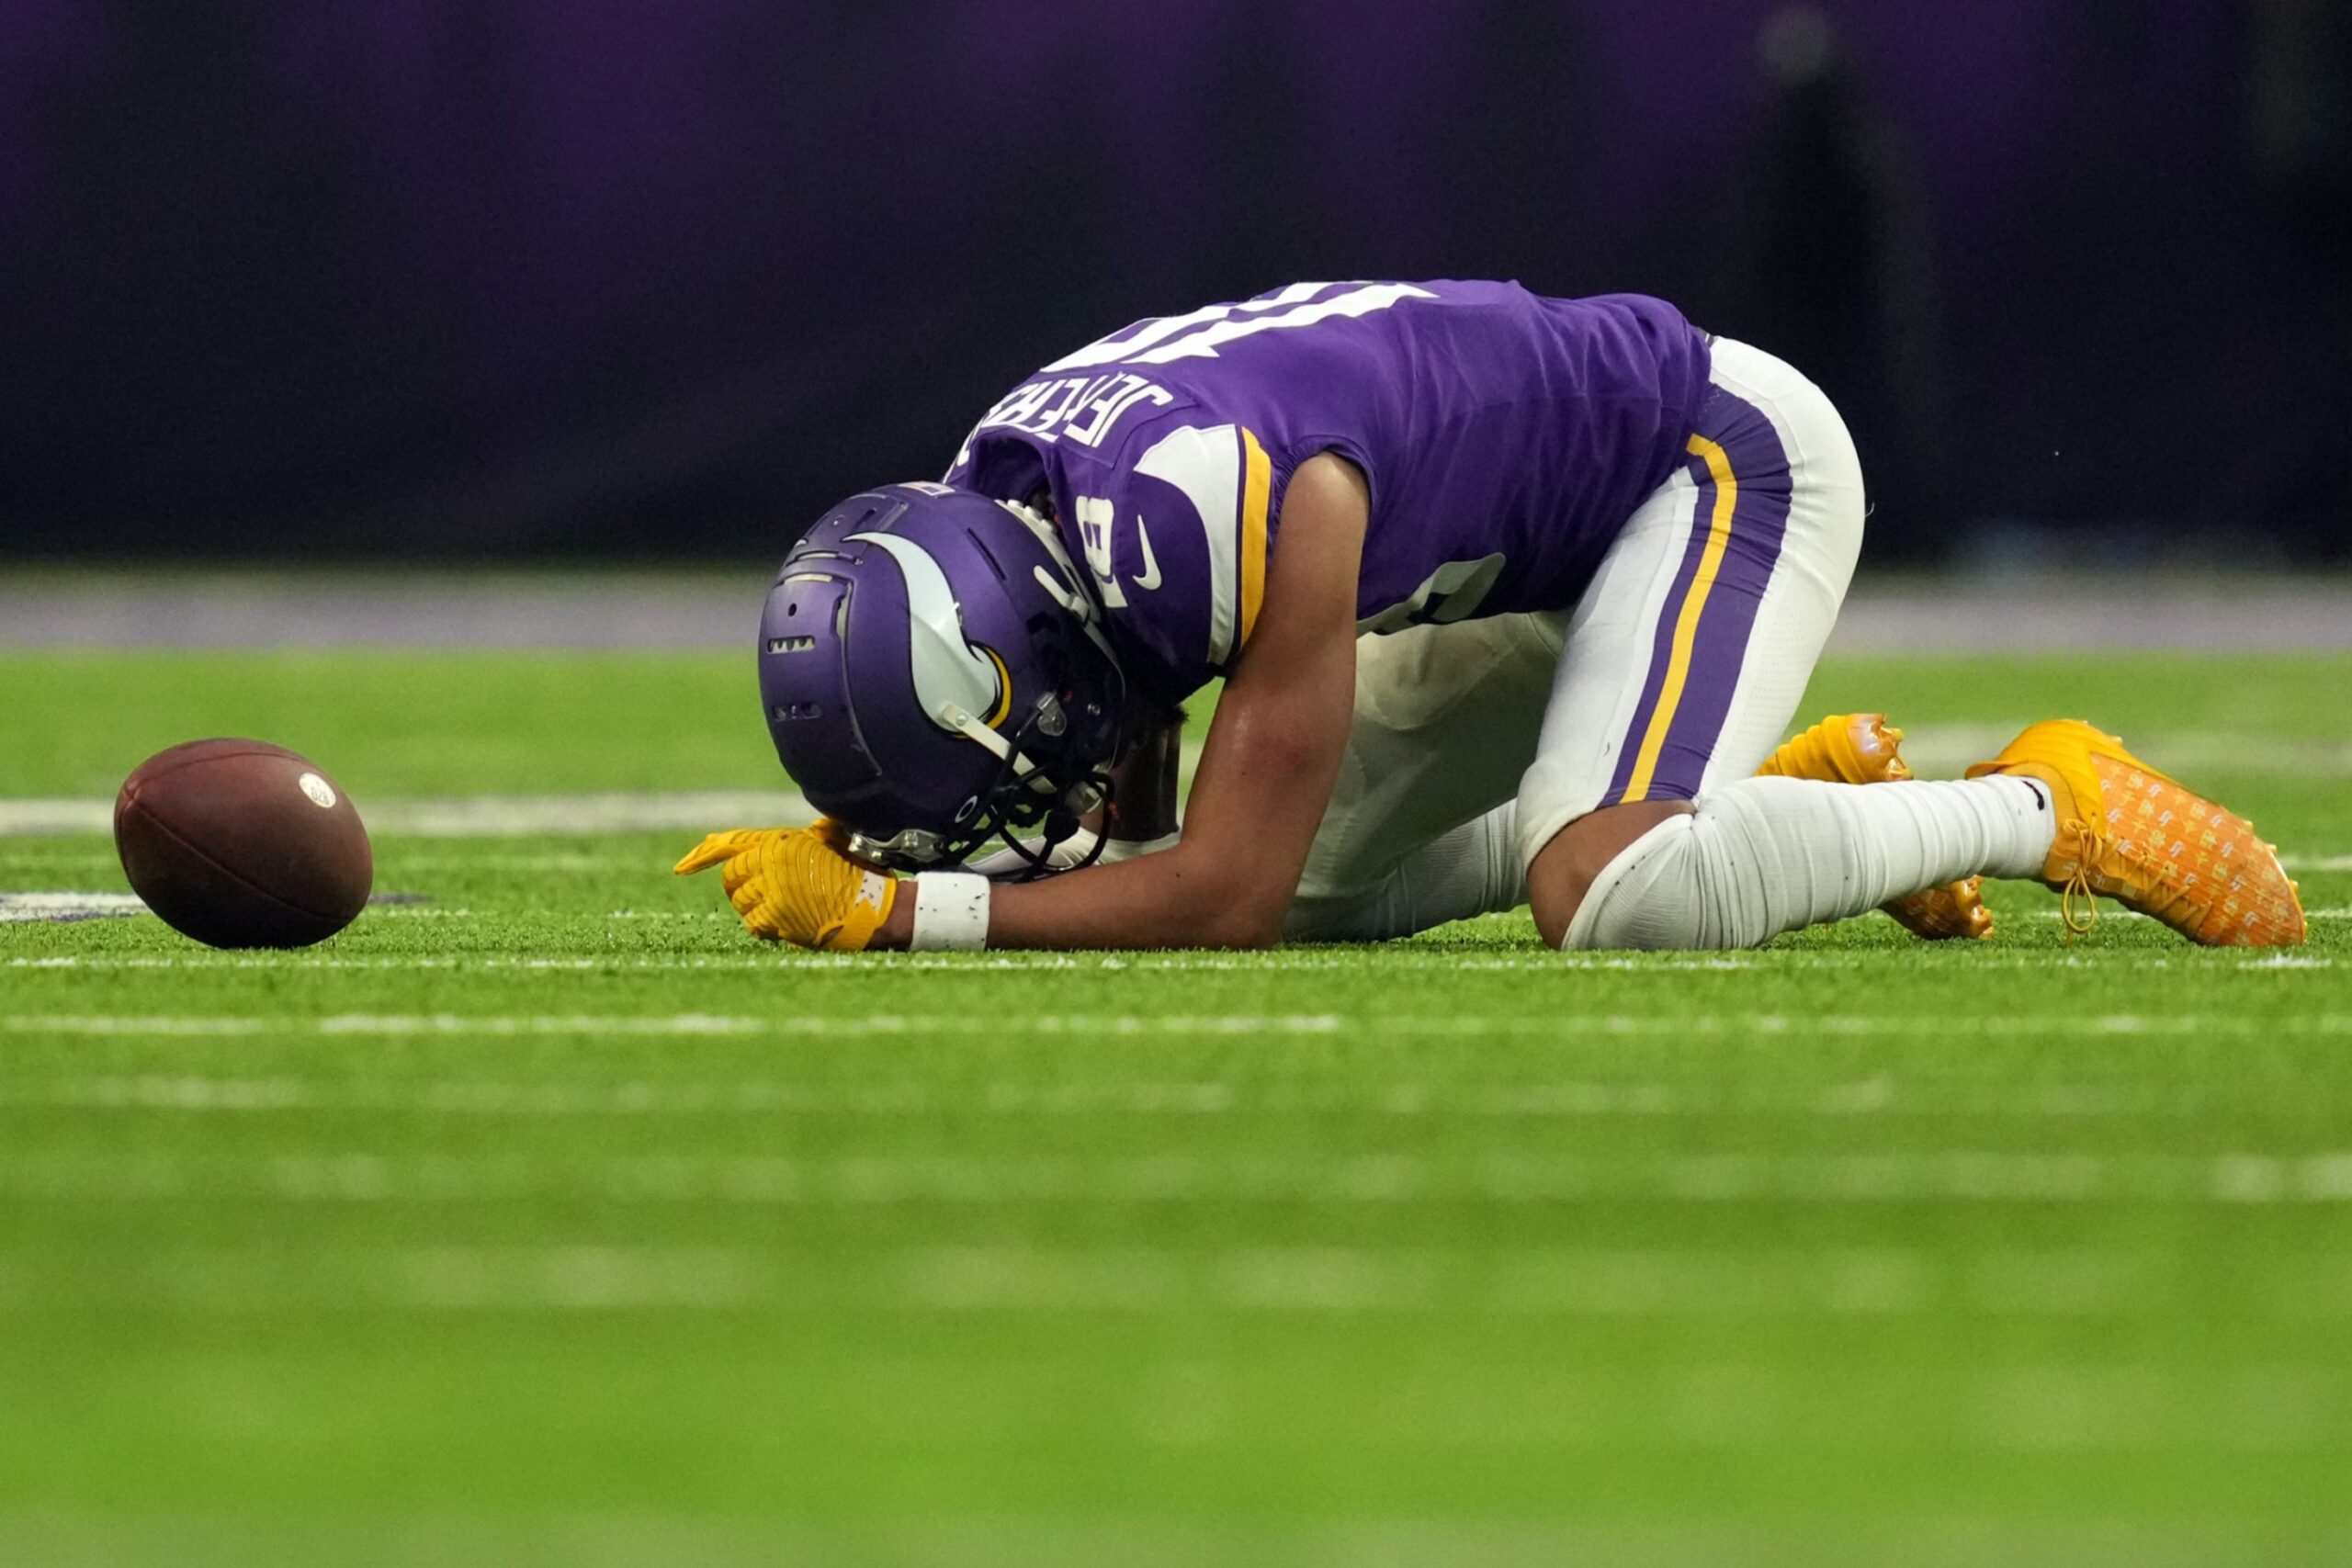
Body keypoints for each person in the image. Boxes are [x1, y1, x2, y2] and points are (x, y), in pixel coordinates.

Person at [675, 280, 2305, 953]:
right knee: (1324, 894)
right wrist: (927, 839)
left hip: (1713, 464)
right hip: (1520, 561)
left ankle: (2044, 804)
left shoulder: (1212, 509)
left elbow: (1217, 891)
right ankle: (1768, 796)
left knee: (1605, 891)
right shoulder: (1031, 490)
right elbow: (1164, 814)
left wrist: (908, 915)